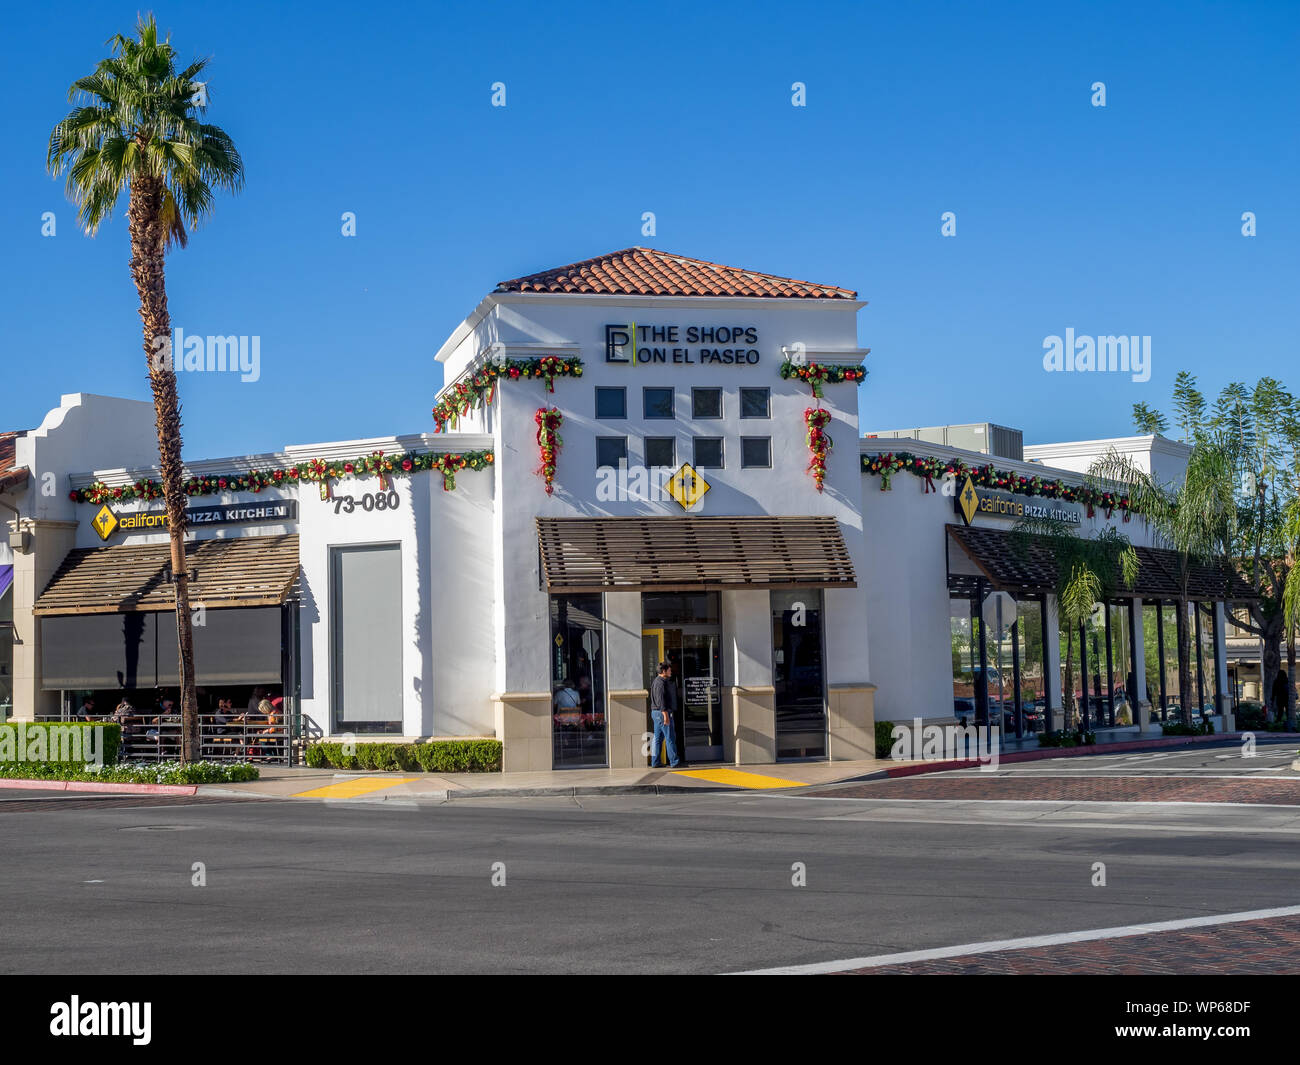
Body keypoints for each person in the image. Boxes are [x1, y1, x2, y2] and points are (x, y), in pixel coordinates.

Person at [649, 660, 681, 769]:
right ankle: (674, 761)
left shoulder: (656, 681)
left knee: (658, 738)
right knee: (670, 737)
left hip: (656, 713)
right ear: (664, 671)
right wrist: (665, 715)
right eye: (669, 670)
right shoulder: (660, 683)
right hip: (662, 713)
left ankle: (655, 762)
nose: (671, 671)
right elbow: (661, 700)